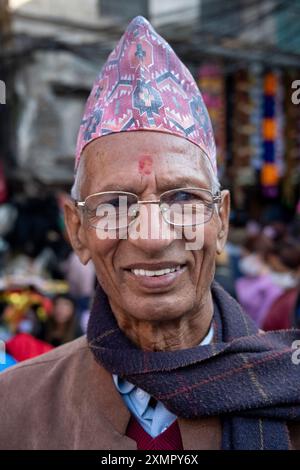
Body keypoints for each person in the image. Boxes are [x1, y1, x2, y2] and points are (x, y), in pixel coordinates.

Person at [0, 16, 299, 450]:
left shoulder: (286, 392)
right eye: (116, 204)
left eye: (182, 199)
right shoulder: (15, 408)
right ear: (77, 231)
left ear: (222, 221)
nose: (153, 236)